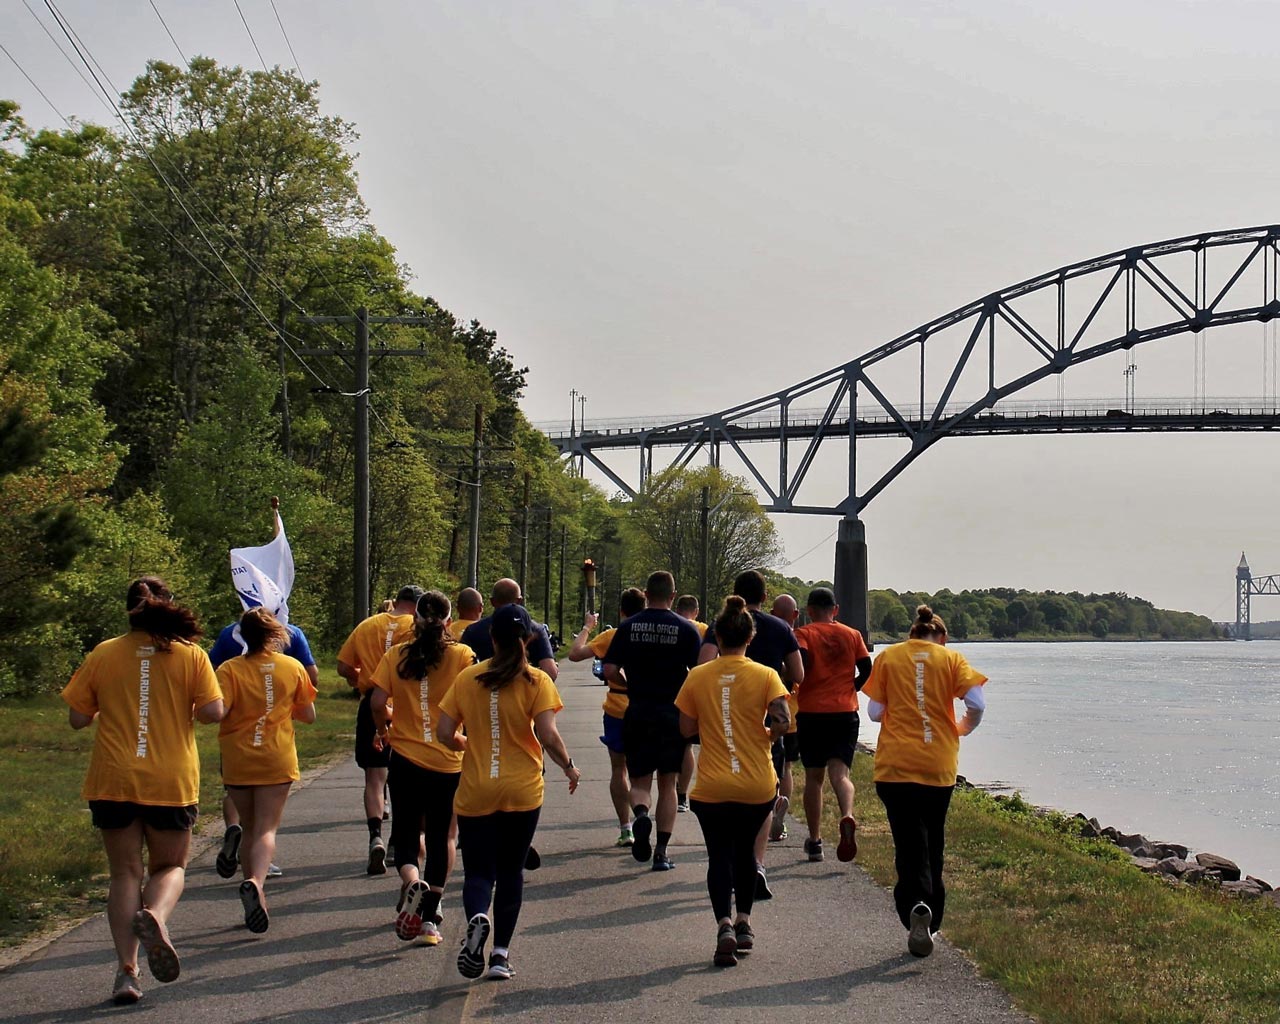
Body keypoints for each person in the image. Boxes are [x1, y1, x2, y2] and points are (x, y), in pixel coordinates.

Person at [61, 577, 224, 1004]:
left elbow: (78, 718)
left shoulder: (104, 652)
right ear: (167, 606)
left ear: (128, 610)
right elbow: (213, 713)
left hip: (114, 777)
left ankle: (127, 973)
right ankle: (154, 915)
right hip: (169, 779)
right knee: (170, 868)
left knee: (124, 874)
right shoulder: (191, 655)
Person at [438, 603, 580, 981]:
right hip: (523, 790)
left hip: (477, 789)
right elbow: (547, 734)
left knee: (479, 873)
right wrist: (568, 766)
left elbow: (442, 732)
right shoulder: (536, 681)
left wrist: (466, 743)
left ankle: (477, 917)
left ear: (491, 638)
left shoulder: (468, 678)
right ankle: (500, 955)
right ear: (529, 638)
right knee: (511, 871)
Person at [863, 605, 987, 958]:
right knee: (933, 842)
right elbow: (977, 703)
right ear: (941, 637)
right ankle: (931, 919)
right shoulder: (951, 660)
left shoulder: (889, 658)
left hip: (895, 767)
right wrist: (961, 727)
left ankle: (915, 906)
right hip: (938, 767)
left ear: (911, 633)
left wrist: (900, 706)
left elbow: (874, 711)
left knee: (907, 843)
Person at [676, 596, 790, 967]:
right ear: (749, 637)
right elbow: (783, 720)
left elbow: (686, 728)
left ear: (717, 638)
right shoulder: (766, 675)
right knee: (745, 854)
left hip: (712, 784)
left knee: (718, 856)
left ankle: (723, 923)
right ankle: (744, 921)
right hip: (756, 781)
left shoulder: (697, 677)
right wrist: (765, 735)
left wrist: (714, 725)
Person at [369, 590, 475, 946]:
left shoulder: (395, 654)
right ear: (448, 621)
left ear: (414, 619)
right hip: (448, 760)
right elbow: (474, 699)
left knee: (407, 833)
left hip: (405, 758)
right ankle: (430, 919)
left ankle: (411, 879)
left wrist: (384, 727)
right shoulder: (462, 655)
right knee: (445, 835)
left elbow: (377, 701)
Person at [698, 570, 803, 898]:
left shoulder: (720, 626)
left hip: (724, 722)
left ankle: (732, 863)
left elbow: (702, 664)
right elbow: (798, 673)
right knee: (761, 794)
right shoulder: (781, 627)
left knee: (725, 794)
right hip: (765, 722)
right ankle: (756, 864)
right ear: (765, 595)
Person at [215, 608, 317, 934]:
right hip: (276, 756)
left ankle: (253, 885)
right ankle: (256, 883)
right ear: (275, 634)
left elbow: (221, 710)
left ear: (242, 635)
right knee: (266, 829)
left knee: (247, 826)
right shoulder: (293, 667)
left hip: (239, 757)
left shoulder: (230, 670)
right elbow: (308, 714)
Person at [603, 571, 702, 871]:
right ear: (672, 596)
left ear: (646, 594)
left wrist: (626, 685)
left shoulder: (628, 627)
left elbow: (608, 669)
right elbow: (698, 673)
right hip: (671, 713)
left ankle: (641, 814)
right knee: (668, 783)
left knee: (640, 780)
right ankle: (661, 852)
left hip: (638, 711)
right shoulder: (686, 629)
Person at [337, 585, 422, 874]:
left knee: (375, 777)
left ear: (396, 602)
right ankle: (399, 839)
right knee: (406, 777)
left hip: (372, 700)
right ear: (418, 606)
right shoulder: (415, 627)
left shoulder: (367, 625)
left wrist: (361, 678)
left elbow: (343, 666)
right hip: (406, 704)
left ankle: (375, 835)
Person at [792, 587, 872, 863]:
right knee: (841, 775)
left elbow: (799, 665)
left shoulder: (803, 634)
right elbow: (867, 667)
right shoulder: (852, 635)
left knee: (814, 779)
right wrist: (853, 688)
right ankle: (847, 815)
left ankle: (815, 842)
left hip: (812, 712)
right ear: (835, 609)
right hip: (845, 712)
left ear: (809, 610)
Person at [568, 587, 646, 847]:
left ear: (622, 611)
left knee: (618, 768)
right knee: (642, 773)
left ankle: (626, 828)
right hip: (646, 705)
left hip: (616, 707)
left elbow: (575, 653)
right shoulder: (648, 633)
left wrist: (588, 627)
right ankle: (642, 812)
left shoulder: (612, 635)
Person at [461, 578, 559, 680]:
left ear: (492, 602)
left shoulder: (473, 630)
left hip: (482, 688)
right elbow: (550, 672)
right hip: (524, 693)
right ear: (519, 600)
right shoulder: (536, 629)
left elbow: (461, 669)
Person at [766, 594, 802, 841]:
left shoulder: (762, 631)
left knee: (763, 760)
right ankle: (781, 814)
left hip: (763, 710)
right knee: (786, 765)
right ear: (796, 615)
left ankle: (767, 811)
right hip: (790, 712)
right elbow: (799, 674)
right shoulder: (793, 637)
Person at [673, 595, 706, 811]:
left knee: (672, 744)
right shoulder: (703, 629)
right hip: (697, 692)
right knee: (687, 746)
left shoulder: (673, 625)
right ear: (696, 611)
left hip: (672, 691)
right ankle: (682, 796)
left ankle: (670, 788)